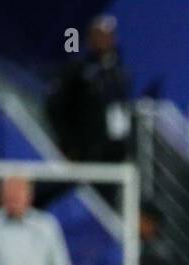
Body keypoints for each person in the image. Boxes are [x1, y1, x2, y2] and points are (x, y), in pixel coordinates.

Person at [46, 14, 131, 163]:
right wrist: (70, 145)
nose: (104, 40)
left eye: (108, 35)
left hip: (114, 152)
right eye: (99, 35)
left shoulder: (119, 71)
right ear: (90, 38)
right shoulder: (77, 70)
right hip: (85, 153)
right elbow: (54, 107)